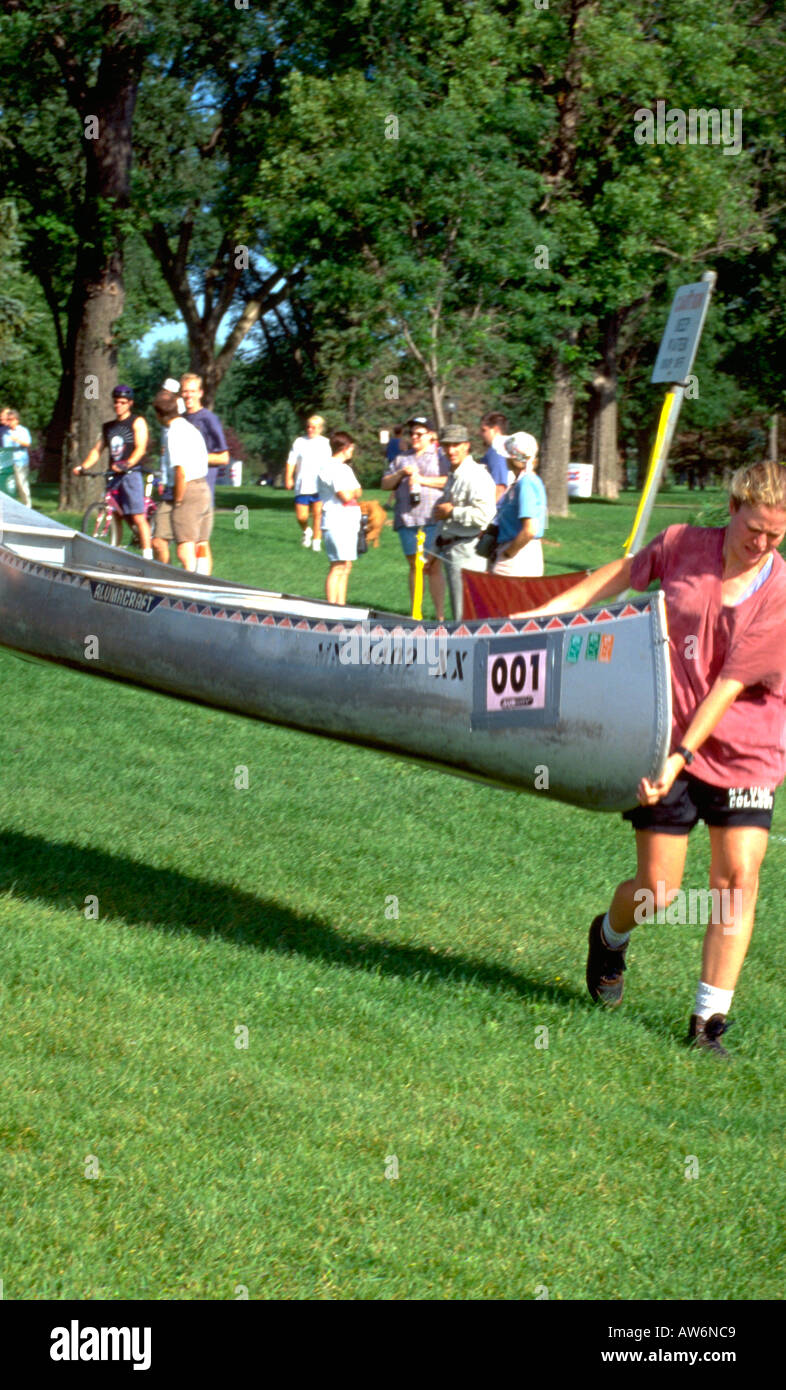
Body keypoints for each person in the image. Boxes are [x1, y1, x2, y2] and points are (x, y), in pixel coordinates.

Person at [516, 459, 786, 1057]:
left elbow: (729, 686)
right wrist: (535, 625)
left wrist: (684, 754)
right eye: (755, 529)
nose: (762, 544)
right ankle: (610, 938)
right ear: (733, 507)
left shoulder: (781, 592)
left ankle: (707, 1023)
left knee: (736, 882)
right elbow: (617, 576)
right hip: (663, 732)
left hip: (745, 748)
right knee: (658, 893)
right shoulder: (682, 545)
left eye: (776, 534)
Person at [73, 386, 152, 557]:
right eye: (116, 402)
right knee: (115, 516)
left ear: (130, 403)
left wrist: (127, 464)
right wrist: (83, 467)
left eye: (123, 403)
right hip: (113, 476)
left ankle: (148, 556)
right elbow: (97, 450)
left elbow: (140, 448)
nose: (119, 405)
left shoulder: (137, 421)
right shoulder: (108, 427)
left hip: (130, 475)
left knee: (138, 517)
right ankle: (114, 554)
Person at [382, 415, 447, 621]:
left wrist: (421, 480)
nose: (415, 437)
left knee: (433, 566)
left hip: (432, 520)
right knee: (414, 567)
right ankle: (416, 613)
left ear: (431, 435)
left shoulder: (440, 457)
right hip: (407, 520)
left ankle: (440, 617)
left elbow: (448, 481)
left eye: (420, 434)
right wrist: (401, 473)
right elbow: (385, 484)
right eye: (412, 433)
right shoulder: (402, 458)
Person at [432, 424, 496, 621]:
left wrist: (453, 511)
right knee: (461, 612)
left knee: (466, 615)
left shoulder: (476, 476)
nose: (451, 450)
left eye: (456, 445)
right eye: (446, 446)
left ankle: (470, 651)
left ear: (467, 445)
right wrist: (433, 551)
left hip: (468, 550)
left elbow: (484, 516)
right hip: (452, 549)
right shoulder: (454, 474)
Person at [151, 388, 211, 572]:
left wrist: (178, 500)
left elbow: (181, 472)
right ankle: (165, 580)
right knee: (158, 541)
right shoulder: (187, 427)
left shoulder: (175, 433)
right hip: (194, 488)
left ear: (160, 414)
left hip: (186, 489)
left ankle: (192, 590)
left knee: (185, 548)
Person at [180, 373, 228, 574]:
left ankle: (201, 581)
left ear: (200, 393)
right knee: (195, 541)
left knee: (196, 542)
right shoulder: (180, 420)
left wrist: (195, 456)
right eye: (185, 391)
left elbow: (223, 457)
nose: (188, 395)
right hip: (182, 487)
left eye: (192, 391)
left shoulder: (208, 419)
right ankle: (201, 580)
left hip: (203, 487)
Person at [489, 432, 548, 578]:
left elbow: (530, 529)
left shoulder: (526, 483)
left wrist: (509, 553)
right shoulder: (528, 481)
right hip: (522, 553)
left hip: (517, 558)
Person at [318, 430, 362, 605]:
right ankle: (332, 607)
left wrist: (352, 492)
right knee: (337, 566)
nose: (352, 450)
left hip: (348, 522)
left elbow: (359, 491)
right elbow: (344, 495)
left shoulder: (345, 468)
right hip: (336, 522)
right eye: (351, 447)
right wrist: (351, 492)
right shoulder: (331, 467)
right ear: (345, 447)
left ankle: (341, 606)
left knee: (346, 566)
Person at [285, 414, 332, 552]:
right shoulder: (299, 442)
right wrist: (289, 477)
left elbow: (329, 463)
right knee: (302, 516)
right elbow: (291, 461)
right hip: (302, 484)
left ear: (320, 429)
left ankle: (316, 542)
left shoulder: (325, 443)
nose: (310, 430)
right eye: (308, 427)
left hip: (320, 484)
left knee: (318, 514)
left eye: (314, 427)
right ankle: (307, 531)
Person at [480, 411, 511, 500]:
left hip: (498, 509)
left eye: (484, 430)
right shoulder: (510, 447)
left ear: (496, 429)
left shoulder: (497, 451)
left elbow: (500, 487)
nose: (481, 434)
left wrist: (486, 510)